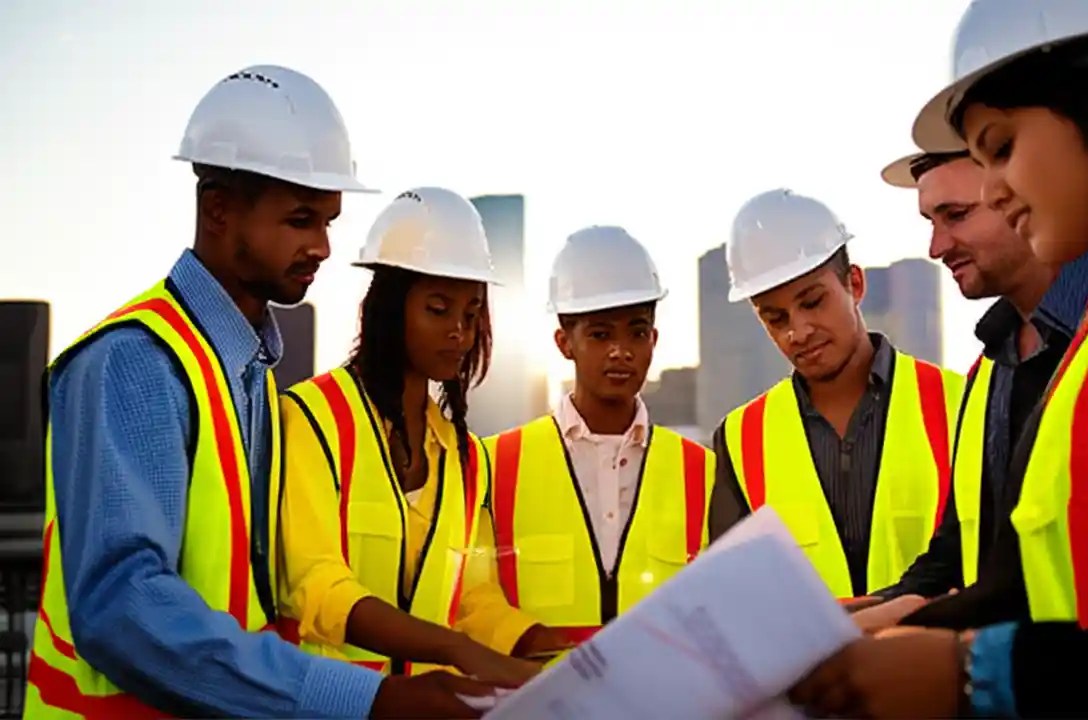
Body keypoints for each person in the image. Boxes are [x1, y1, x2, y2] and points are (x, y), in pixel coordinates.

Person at [790, 0, 1088, 716]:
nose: (993, 189)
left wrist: (975, 674)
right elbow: (1033, 585)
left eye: (1002, 147)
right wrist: (875, 652)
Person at [26, 66, 492, 719]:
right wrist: (371, 698)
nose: (322, 247)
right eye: (301, 220)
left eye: (328, 222)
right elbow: (123, 610)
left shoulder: (249, 381)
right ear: (219, 209)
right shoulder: (136, 363)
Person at [277, 188, 561, 688]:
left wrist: (554, 646)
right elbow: (314, 584)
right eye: (438, 309)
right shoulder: (313, 418)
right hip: (334, 704)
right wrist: (454, 649)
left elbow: (473, 599)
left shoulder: (465, 458)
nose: (460, 332)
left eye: (471, 314)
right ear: (390, 308)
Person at [859, 151, 1088, 631]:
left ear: (1025, 196)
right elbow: (958, 558)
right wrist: (844, 626)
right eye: (931, 222)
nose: (936, 246)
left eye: (956, 215)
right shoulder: (989, 371)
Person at [708, 188, 965, 602]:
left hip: (939, 643)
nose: (798, 331)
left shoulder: (960, 403)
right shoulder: (740, 438)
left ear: (855, 284)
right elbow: (735, 594)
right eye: (775, 319)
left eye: (813, 302)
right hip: (805, 649)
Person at [482, 226, 713, 645]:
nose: (620, 351)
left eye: (637, 333)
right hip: (537, 687)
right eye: (600, 334)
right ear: (564, 343)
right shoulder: (495, 464)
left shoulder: (703, 470)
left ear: (654, 340)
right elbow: (471, 597)